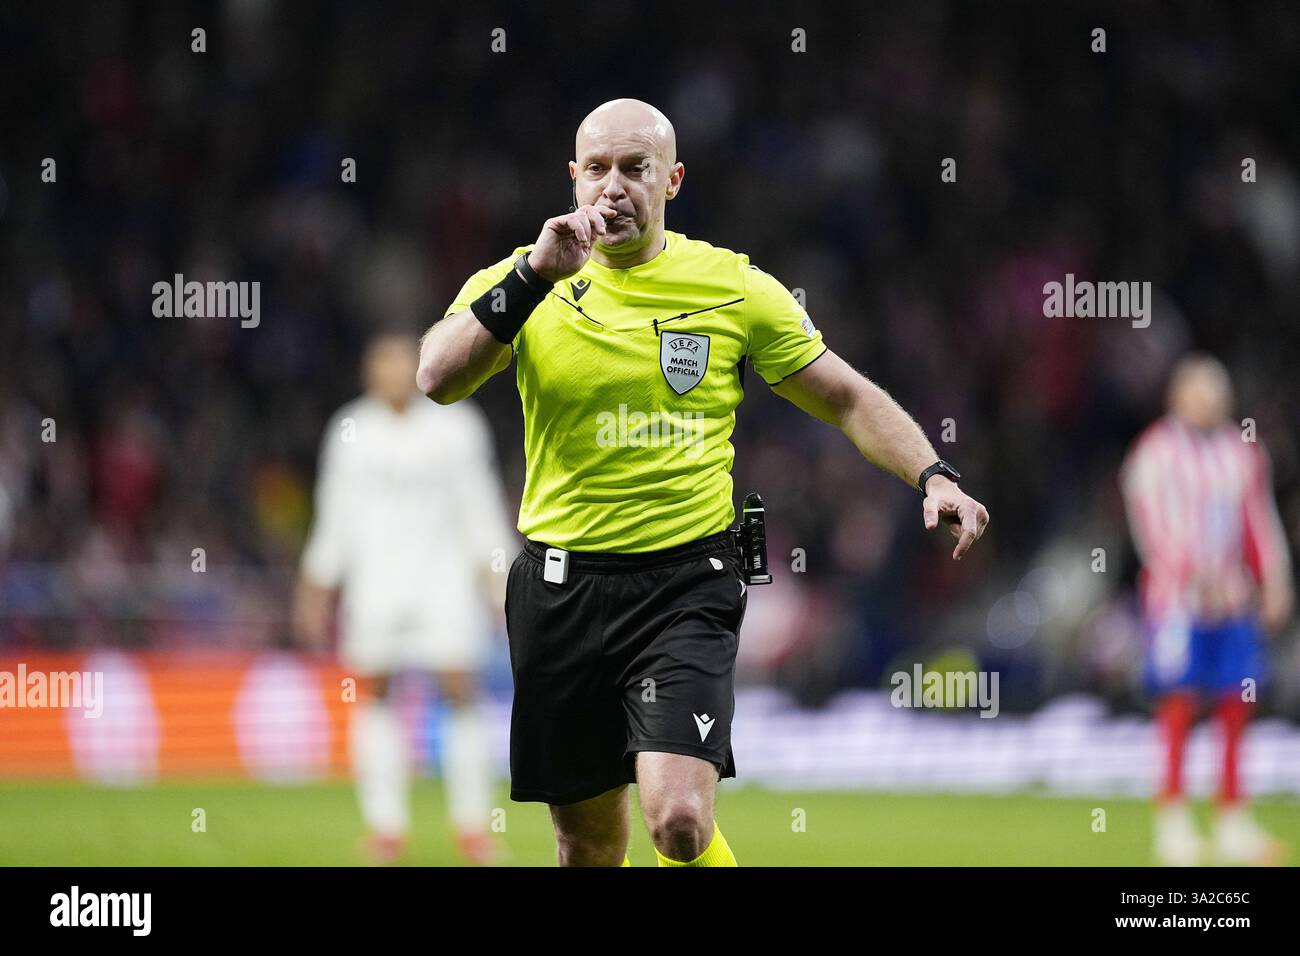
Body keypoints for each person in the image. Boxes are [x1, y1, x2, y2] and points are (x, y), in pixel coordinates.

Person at [417, 99, 989, 867]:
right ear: (573, 178)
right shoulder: (526, 279)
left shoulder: (732, 286)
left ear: (673, 179)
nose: (612, 187)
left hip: (685, 586)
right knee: (585, 841)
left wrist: (933, 474)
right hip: (561, 592)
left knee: (679, 820)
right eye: (596, 169)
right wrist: (531, 277)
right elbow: (435, 378)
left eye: (635, 168)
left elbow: (844, 395)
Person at [295, 331, 514, 865]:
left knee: (459, 693)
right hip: (375, 589)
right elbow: (335, 516)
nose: (392, 374)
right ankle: (386, 828)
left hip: (445, 586)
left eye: (401, 363)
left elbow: (480, 509)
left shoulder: (457, 425)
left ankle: (472, 829)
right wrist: (316, 584)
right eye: (382, 365)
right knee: (374, 695)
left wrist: (499, 578)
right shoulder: (350, 430)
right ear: (369, 373)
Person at [1121, 353, 1294, 866]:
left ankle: (1231, 817)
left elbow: (1258, 520)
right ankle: (1172, 820)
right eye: (1201, 392)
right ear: (1178, 397)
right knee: (1177, 700)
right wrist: (1198, 577)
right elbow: (1150, 530)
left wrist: (1276, 580)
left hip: (1233, 598)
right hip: (1178, 600)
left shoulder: (1243, 451)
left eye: (1218, 393)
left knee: (1237, 699)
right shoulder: (1154, 453)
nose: (1211, 402)